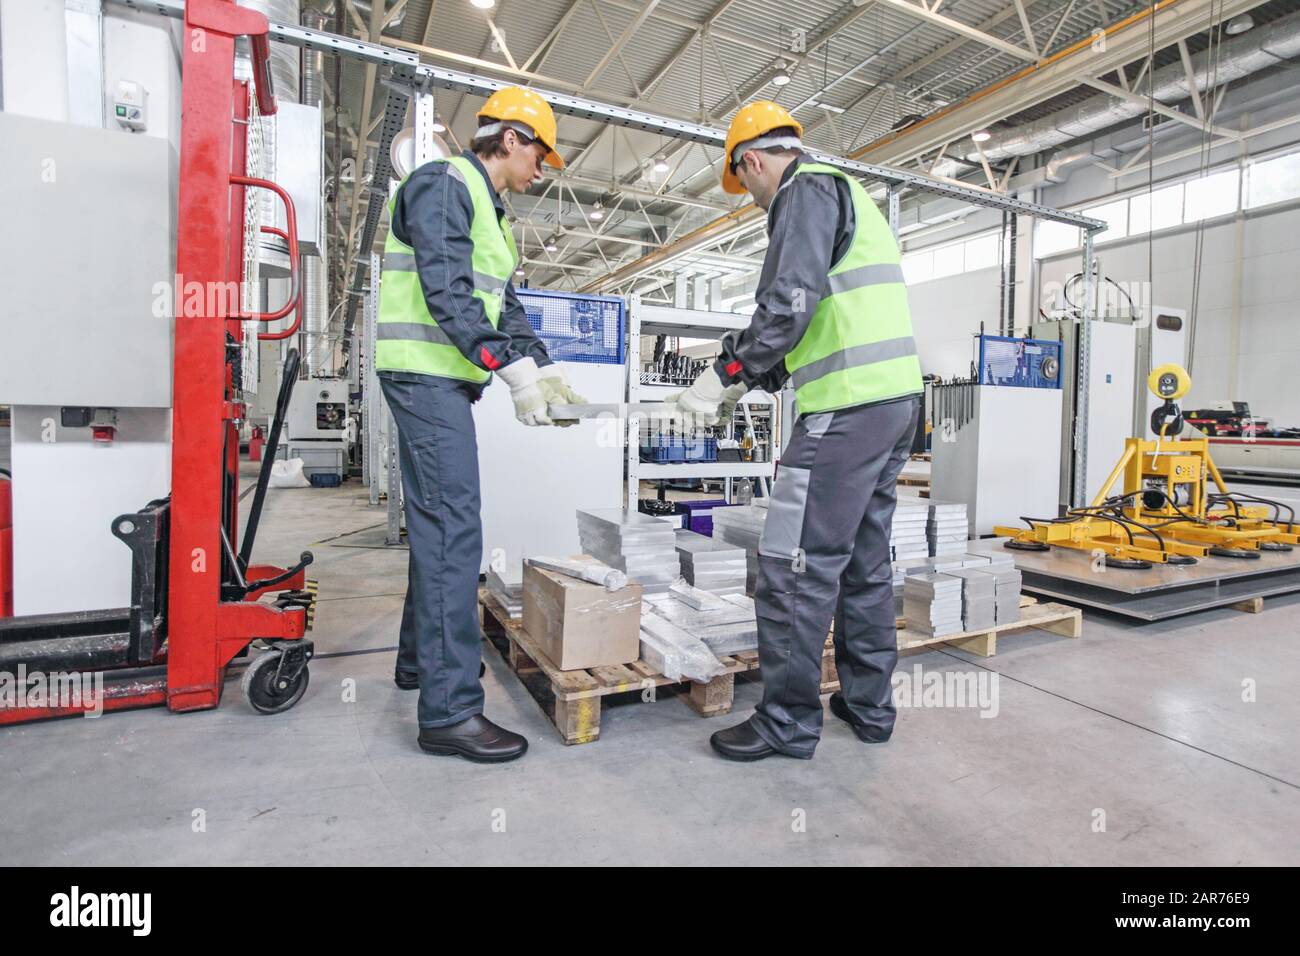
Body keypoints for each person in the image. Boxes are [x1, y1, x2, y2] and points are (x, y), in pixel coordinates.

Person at [672, 101, 923, 761]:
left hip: (845, 411)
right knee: (863, 564)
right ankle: (869, 707)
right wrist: (754, 378)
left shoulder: (803, 192)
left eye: (745, 185)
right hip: (892, 406)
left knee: (791, 564)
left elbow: (786, 305)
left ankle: (786, 722)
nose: (752, 200)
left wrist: (725, 371)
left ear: (752, 161)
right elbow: (812, 320)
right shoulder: (850, 197)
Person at [374, 86, 584, 763]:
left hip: (441, 378)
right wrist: (507, 370)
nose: (543, 170)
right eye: (541, 154)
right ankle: (451, 711)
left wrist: (542, 369)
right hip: (422, 374)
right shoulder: (443, 182)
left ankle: (418, 665)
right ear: (514, 138)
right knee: (456, 531)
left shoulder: (490, 214)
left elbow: (505, 307)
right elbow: (445, 290)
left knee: (438, 523)